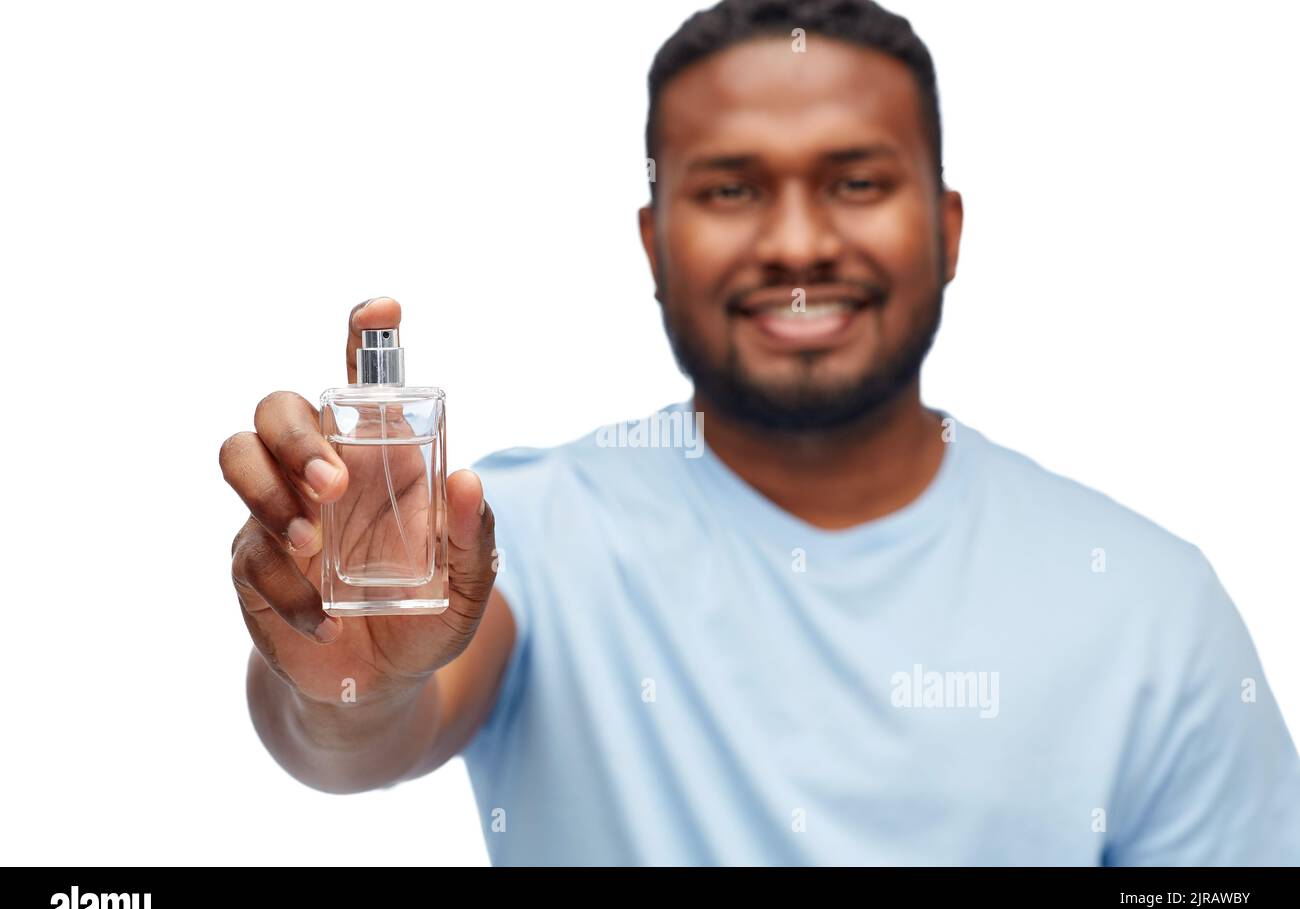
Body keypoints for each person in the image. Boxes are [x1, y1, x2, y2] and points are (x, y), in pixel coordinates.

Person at [219, 0, 1300, 865]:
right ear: (654, 242)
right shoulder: (510, 536)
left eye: (857, 182)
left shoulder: (1151, 604)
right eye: (731, 187)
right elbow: (368, 727)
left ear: (947, 226)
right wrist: (345, 681)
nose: (794, 242)